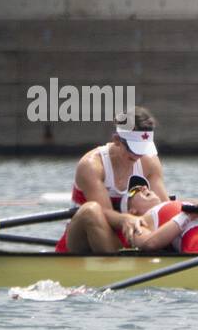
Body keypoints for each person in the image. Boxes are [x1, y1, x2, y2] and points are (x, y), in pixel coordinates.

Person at [55, 106, 168, 253]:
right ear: (117, 140)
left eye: (143, 149)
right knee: (92, 211)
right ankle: (120, 267)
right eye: (134, 149)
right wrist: (125, 219)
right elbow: (105, 212)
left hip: (124, 240)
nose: (138, 156)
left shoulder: (150, 163)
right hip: (82, 242)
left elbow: (165, 207)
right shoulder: (92, 165)